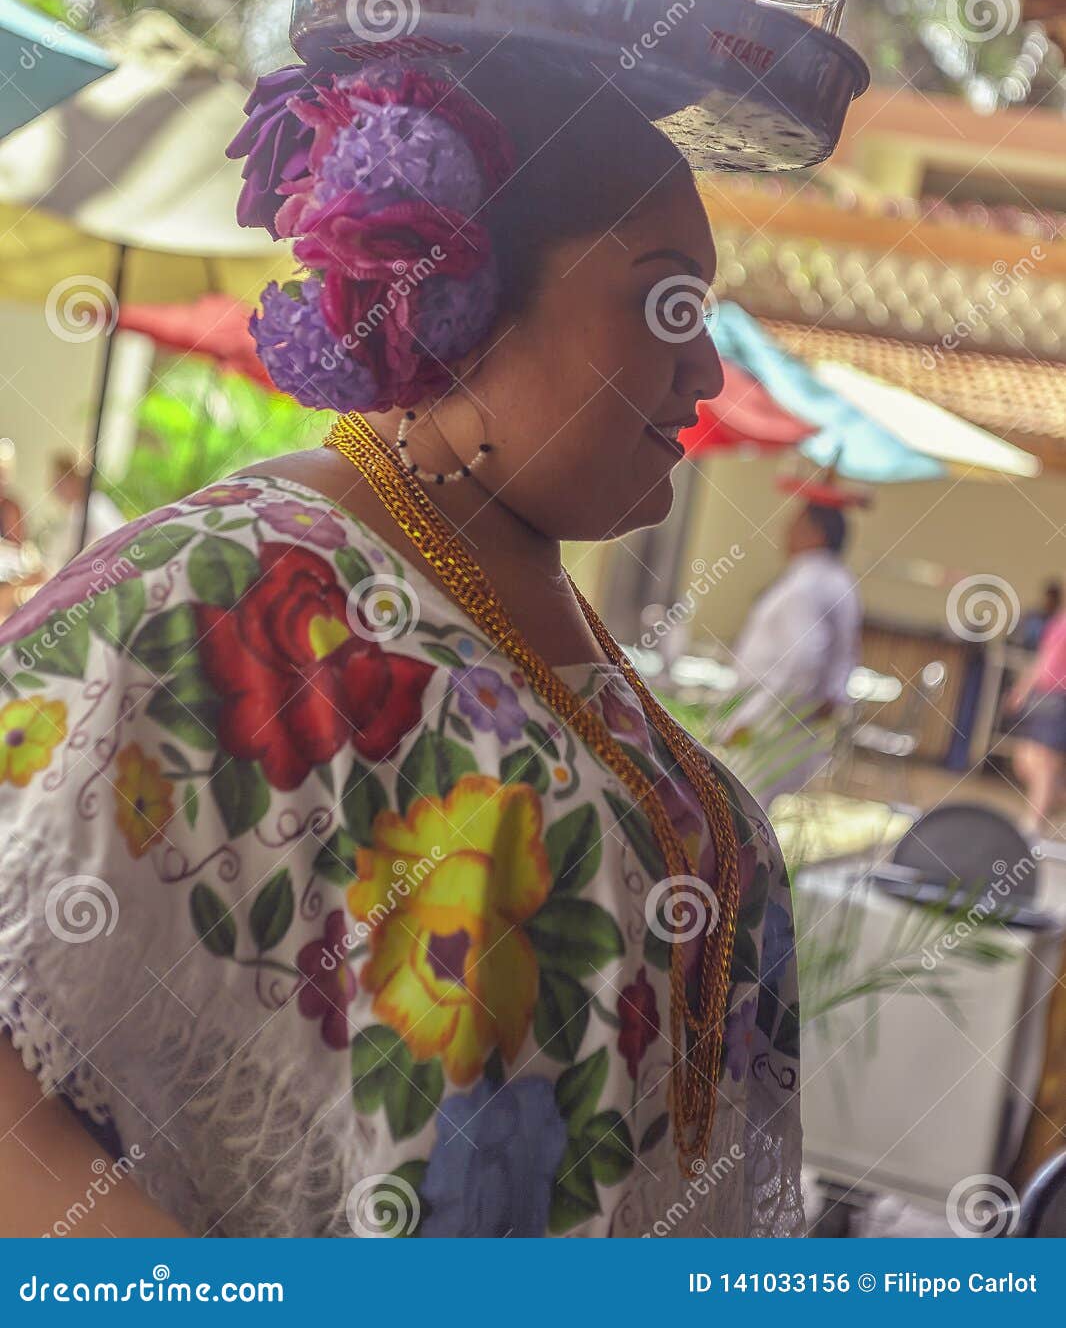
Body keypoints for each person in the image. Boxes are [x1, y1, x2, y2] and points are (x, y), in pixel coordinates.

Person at [0, 69, 803, 1239]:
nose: (705, 373)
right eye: (662, 302)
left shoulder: (535, 609)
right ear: (459, 293)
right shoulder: (224, 575)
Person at [725, 491, 863, 808]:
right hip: (797, 722)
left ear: (815, 533)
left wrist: (750, 720)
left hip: (774, 726)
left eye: (793, 524)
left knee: (744, 811)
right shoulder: (839, 581)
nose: (784, 533)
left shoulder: (806, 586)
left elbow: (802, 662)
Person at [1003, 600, 1066, 832]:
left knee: (1044, 763)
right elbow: (1043, 656)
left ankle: (1032, 824)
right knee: (1024, 761)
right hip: (1041, 694)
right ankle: (1050, 802)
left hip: (1060, 699)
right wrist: (1022, 688)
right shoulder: (1059, 620)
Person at [33, 451, 127, 575]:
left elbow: (62, 559)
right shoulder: (91, 504)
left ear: (74, 480)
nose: (55, 489)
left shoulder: (90, 510)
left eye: (60, 482)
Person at [1014, 579, 1063, 653]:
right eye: (1049, 598)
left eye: (1053, 599)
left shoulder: (1060, 623)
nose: (1050, 602)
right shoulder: (1032, 616)